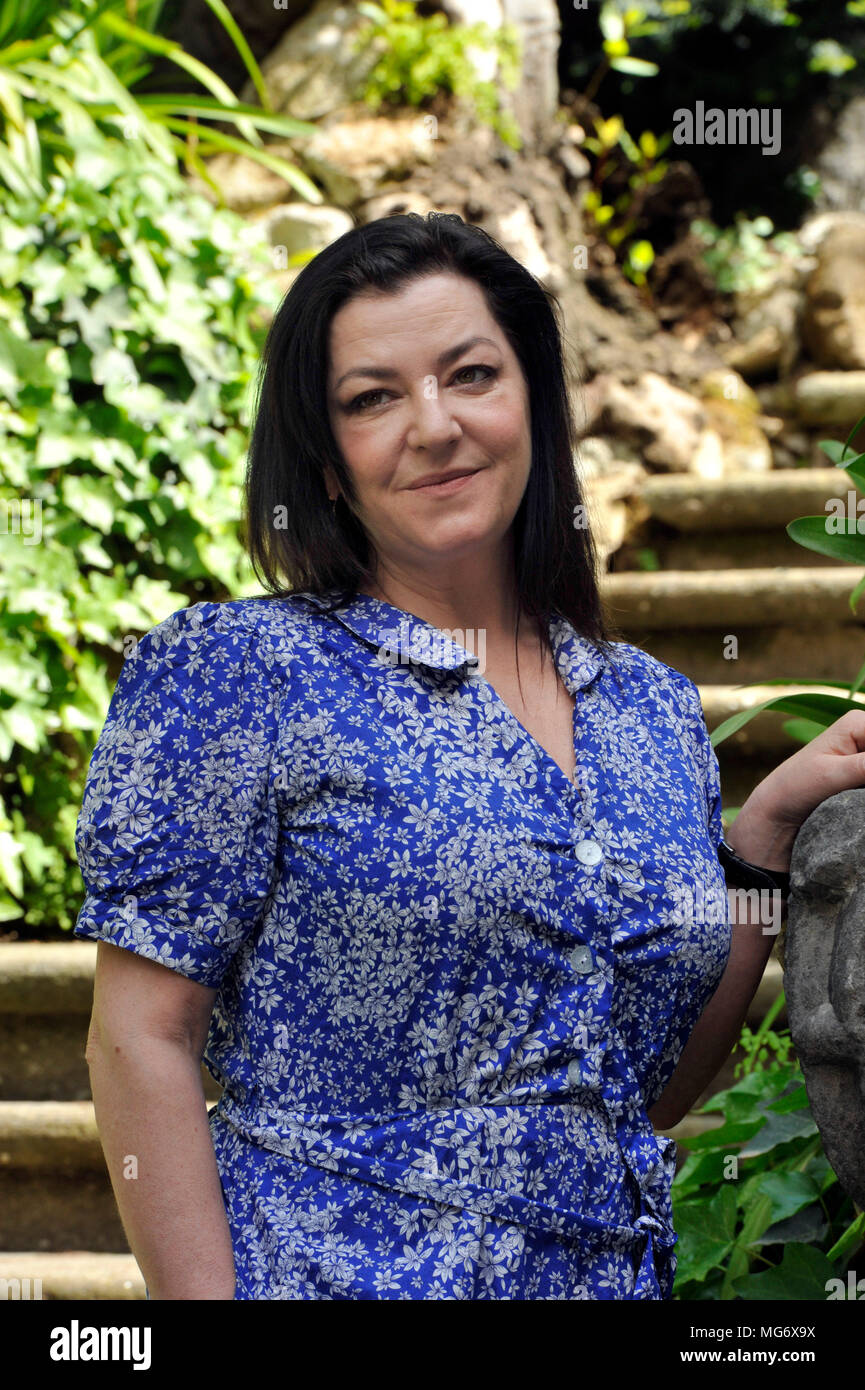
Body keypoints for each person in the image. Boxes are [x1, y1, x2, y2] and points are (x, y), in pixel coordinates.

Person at [75, 212, 865, 1300]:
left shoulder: (651, 710)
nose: (434, 426)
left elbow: (649, 1091)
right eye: (372, 398)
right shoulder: (239, 673)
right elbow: (138, 1039)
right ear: (324, 461)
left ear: (532, 400)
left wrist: (761, 837)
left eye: (471, 375)